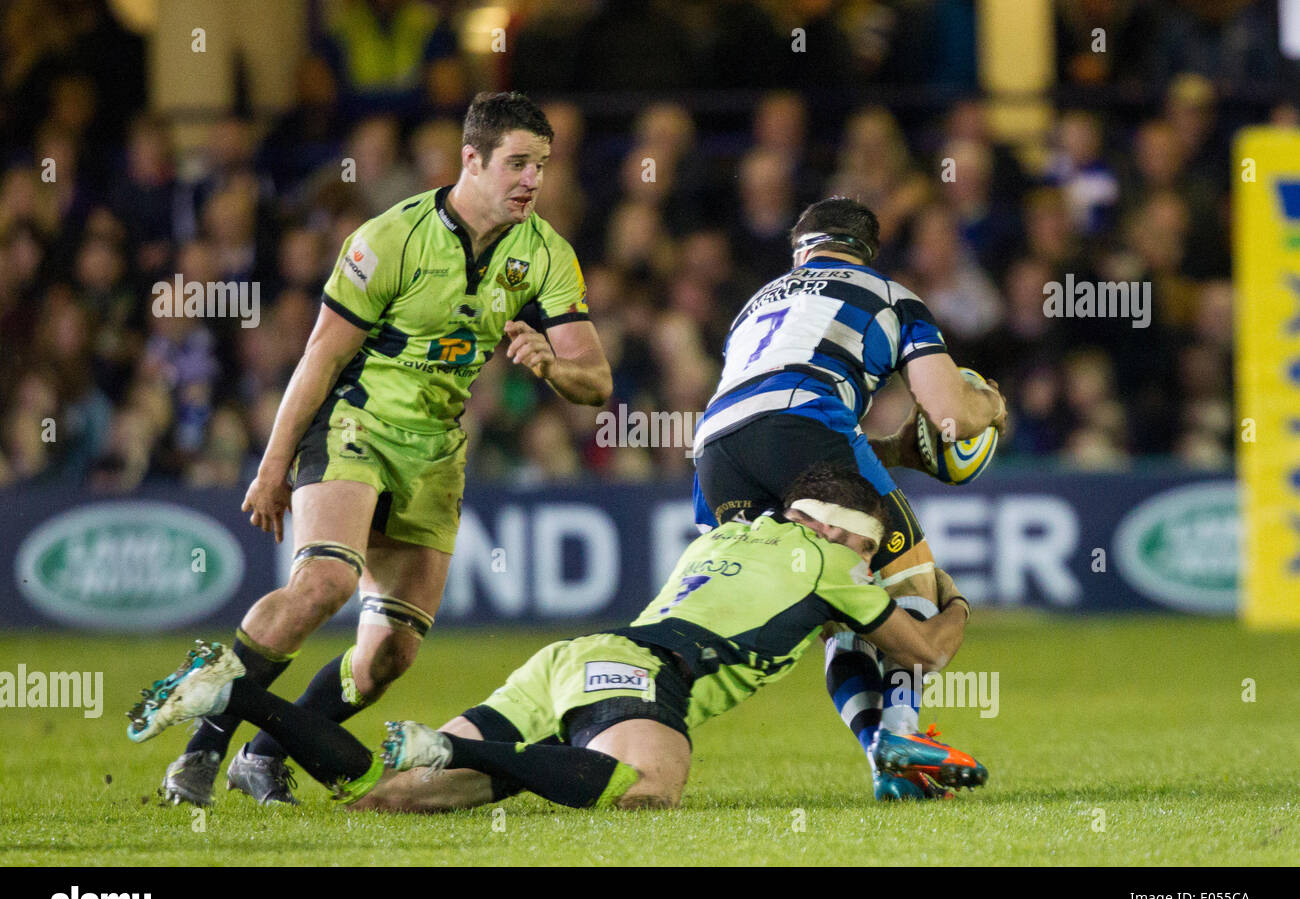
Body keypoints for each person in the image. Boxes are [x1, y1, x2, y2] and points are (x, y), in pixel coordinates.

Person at [160, 91, 612, 807]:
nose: (532, 180)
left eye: (542, 166)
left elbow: (597, 379)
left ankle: (265, 752)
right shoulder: (389, 238)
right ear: (472, 160)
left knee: (387, 657)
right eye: (518, 163)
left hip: (436, 453)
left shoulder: (547, 255)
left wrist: (552, 367)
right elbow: (318, 357)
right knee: (325, 585)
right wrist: (274, 465)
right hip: (356, 426)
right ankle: (198, 755)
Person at [128, 464, 986, 810]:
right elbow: (927, 653)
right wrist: (951, 601)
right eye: (872, 550)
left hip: (569, 659)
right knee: (651, 788)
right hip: (645, 672)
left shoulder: (728, 535)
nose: (871, 566)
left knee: (384, 801)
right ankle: (435, 745)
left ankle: (230, 692)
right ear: (844, 534)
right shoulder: (830, 563)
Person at [691, 196, 1006, 799]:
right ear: (867, 250)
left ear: (800, 251)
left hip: (715, 453)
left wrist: (890, 449)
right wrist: (991, 404)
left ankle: (882, 756)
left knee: (837, 608)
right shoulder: (890, 295)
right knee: (915, 580)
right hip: (806, 423)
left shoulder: (753, 305)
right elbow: (951, 418)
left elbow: (768, 408)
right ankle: (902, 733)